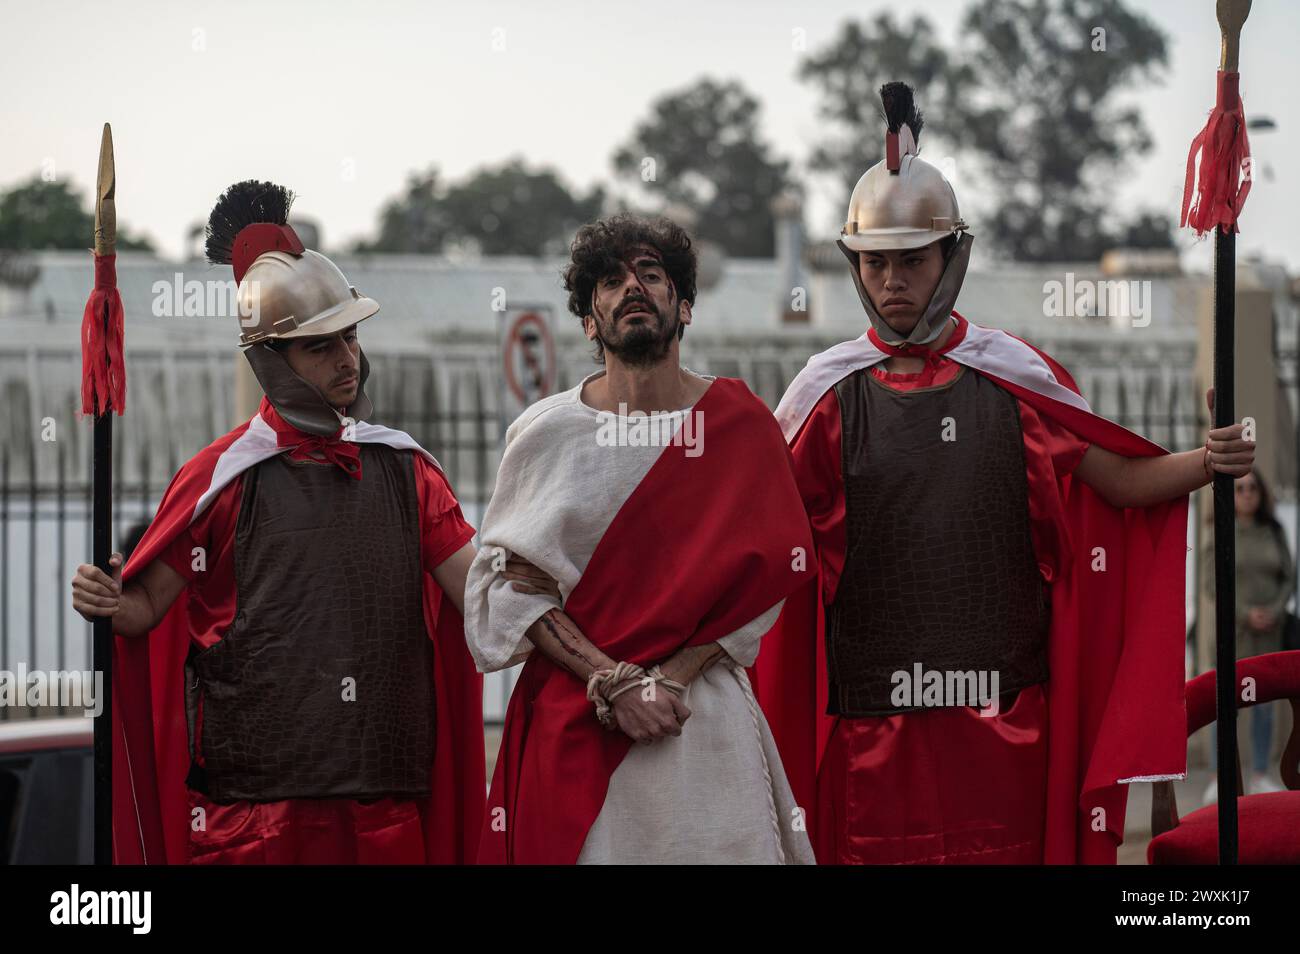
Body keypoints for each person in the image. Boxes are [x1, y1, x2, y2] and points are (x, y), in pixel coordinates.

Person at [755, 83, 1256, 865]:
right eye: (876, 261)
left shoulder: (1014, 377)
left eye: (911, 260)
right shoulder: (822, 395)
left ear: (951, 257)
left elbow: (1116, 483)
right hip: (871, 726)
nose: (892, 280)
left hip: (1001, 720)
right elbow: (759, 534)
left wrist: (1207, 462)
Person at [72, 180, 485, 864]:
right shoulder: (219, 477)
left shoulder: (407, 470)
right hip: (253, 828)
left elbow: (484, 594)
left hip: (380, 814)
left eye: (349, 337)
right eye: (321, 346)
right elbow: (145, 610)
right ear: (271, 361)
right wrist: (110, 599)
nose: (348, 360)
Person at [464, 214, 816, 864]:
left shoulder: (740, 426)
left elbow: (766, 585)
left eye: (651, 274)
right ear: (590, 321)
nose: (632, 285)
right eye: (610, 279)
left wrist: (673, 680)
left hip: (700, 719)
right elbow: (512, 591)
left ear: (684, 307)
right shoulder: (545, 435)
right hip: (576, 719)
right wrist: (615, 684)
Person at [1200, 468, 1294, 802]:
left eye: (1253, 487)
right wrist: (1244, 613)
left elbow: (1289, 577)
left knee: (1264, 706)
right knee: (1224, 705)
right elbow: (1211, 581)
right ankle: (1220, 776)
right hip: (1233, 634)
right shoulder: (1220, 530)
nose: (1247, 494)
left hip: (1269, 633)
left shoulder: (1274, 531)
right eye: (1240, 489)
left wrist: (1276, 609)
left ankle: (1259, 774)